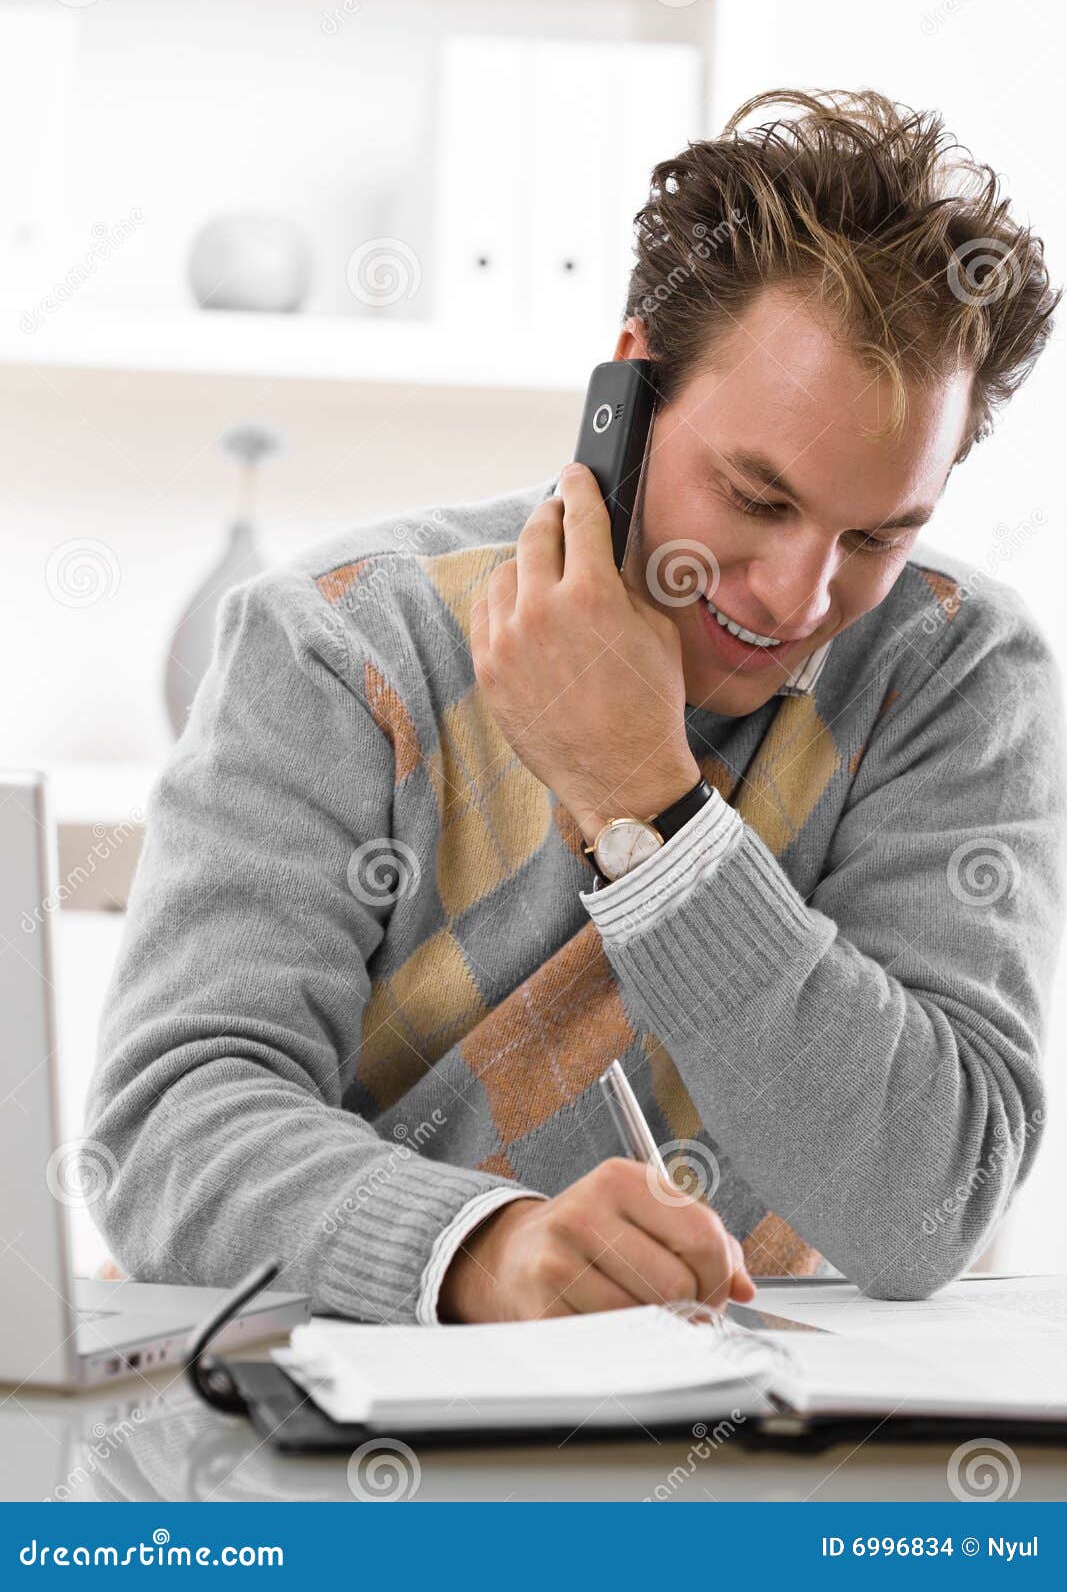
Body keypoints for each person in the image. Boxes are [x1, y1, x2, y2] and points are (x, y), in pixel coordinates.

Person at [86, 88, 1065, 1324]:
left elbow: (922, 1198)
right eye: (755, 498)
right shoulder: (340, 642)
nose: (797, 595)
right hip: (353, 1440)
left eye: (874, 533)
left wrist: (642, 800)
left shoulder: (950, 674)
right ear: (630, 388)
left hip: (775, 1464)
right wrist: (482, 1251)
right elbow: (167, 1128)